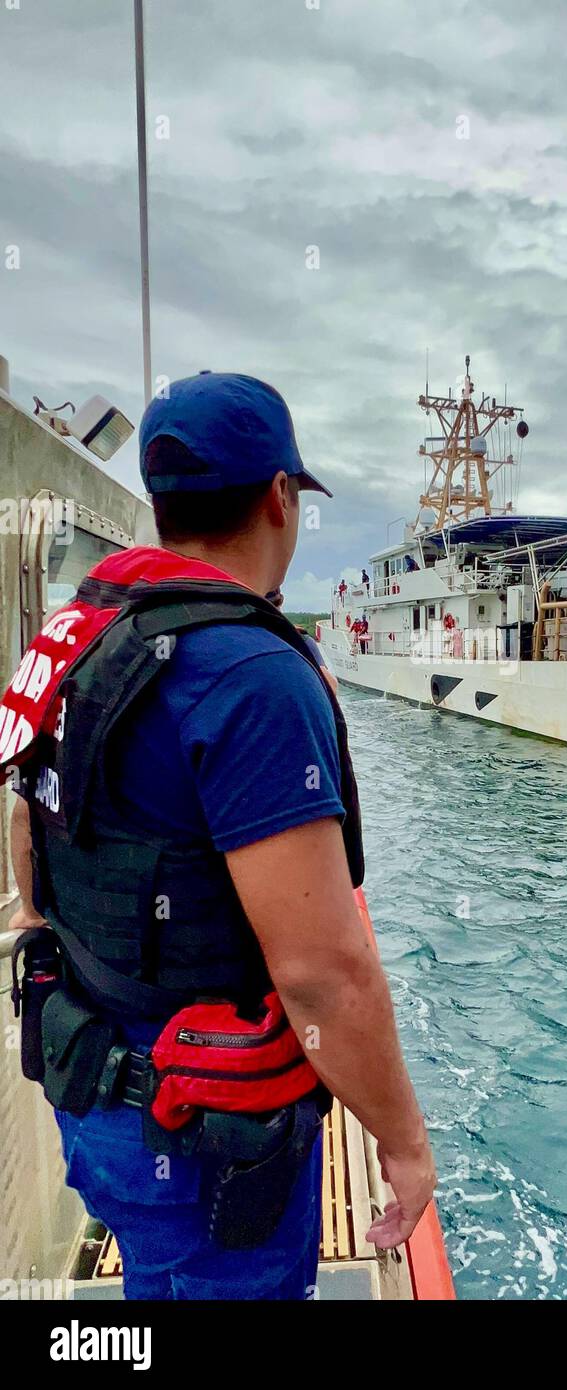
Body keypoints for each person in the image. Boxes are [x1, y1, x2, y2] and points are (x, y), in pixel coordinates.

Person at [4, 371, 435, 1300]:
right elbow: (322, 970)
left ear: (162, 502)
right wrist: (404, 1144)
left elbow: (31, 858)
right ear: (281, 497)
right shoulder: (254, 676)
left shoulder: (81, 632)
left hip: (93, 1093)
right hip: (209, 1139)